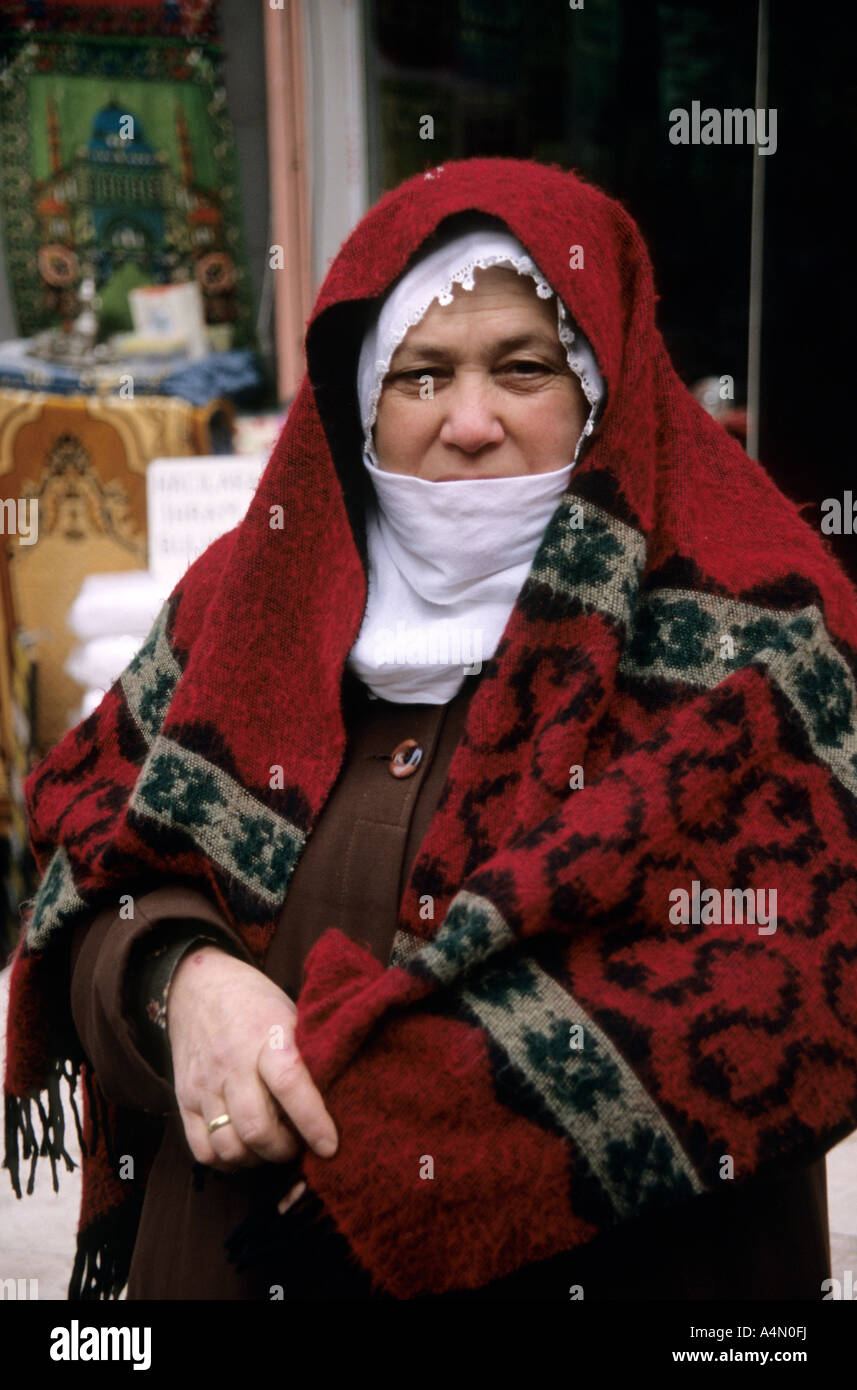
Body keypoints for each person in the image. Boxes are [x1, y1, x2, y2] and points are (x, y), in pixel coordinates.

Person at [5, 157, 856, 1301]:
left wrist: (412, 1151)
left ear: (607, 389)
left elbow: (788, 979)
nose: (469, 423)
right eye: (420, 375)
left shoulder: (755, 638)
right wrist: (176, 979)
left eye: (523, 368)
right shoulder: (243, 609)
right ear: (359, 397)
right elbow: (93, 864)